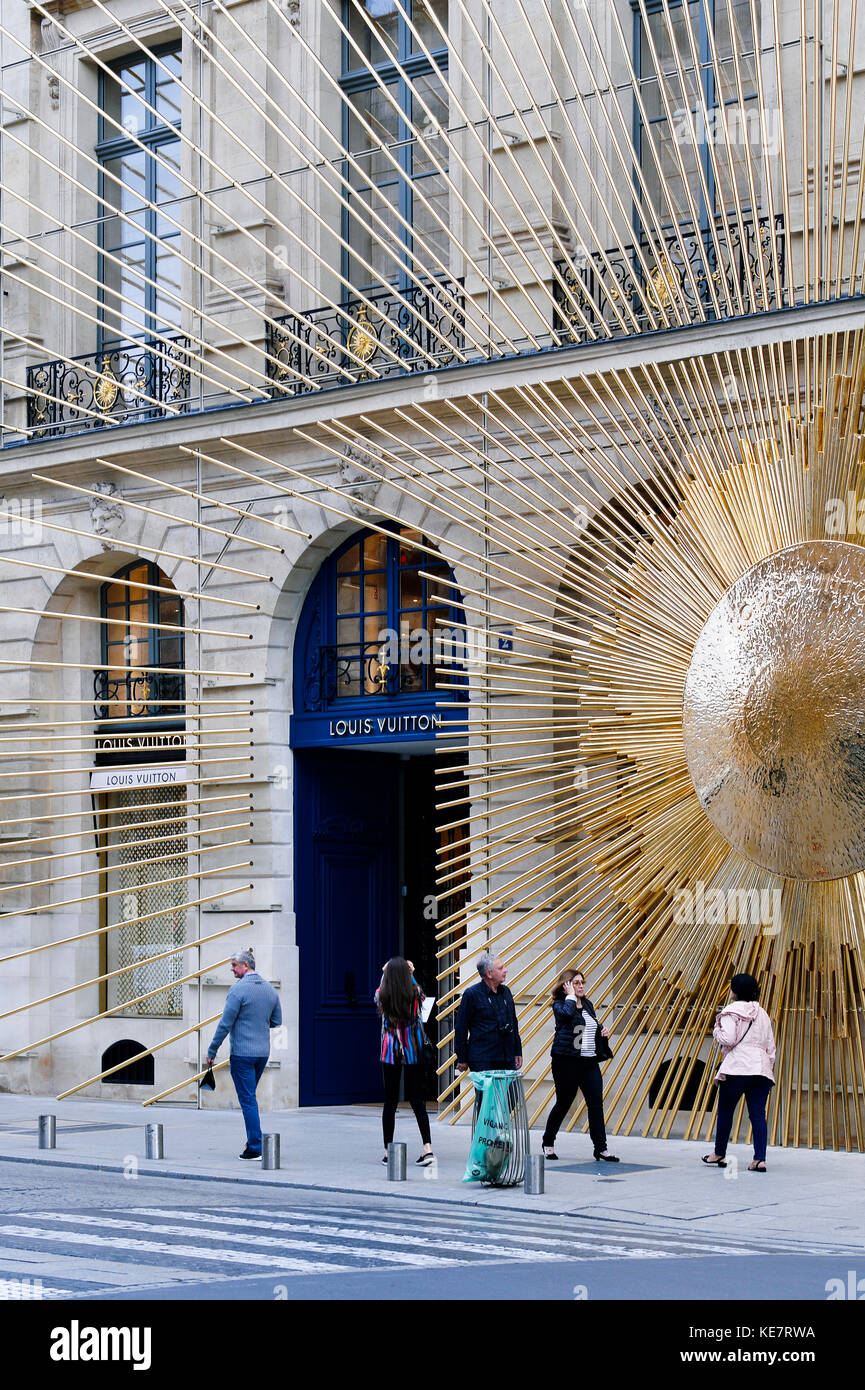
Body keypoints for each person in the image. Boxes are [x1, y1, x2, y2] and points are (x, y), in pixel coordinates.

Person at [205, 947, 282, 1160]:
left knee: (248, 1100)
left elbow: (225, 1024)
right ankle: (252, 1141)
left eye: (234, 965)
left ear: (246, 965)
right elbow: (277, 1021)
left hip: (242, 1054)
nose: (231, 969)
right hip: (262, 1053)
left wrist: (212, 1050)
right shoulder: (269, 990)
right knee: (250, 1097)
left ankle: (255, 1147)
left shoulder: (238, 990)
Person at [540, 968, 619, 1162]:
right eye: (576, 982)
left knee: (595, 1104)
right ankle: (548, 1141)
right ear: (566, 985)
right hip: (566, 1061)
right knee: (564, 1102)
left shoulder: (588, 1004)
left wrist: (601, 1031)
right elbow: (567, 1017)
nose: (581, 986)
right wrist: (570, 997)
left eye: (582, 982)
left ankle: (601, 1148)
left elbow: (588, 1026)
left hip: (588, 1061)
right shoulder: (559, 1004)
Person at [702, 972, 776, 1172]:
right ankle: (759, 1159)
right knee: (758, 1115)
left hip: (737, 1069)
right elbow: (771, 1046)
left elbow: (729, 1038)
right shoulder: (763, 1013)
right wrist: (766, 1065)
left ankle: (719, 1154)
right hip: (761, 1070)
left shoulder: (731, 1011)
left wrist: (716, 1030)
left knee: (726, 1112)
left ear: (735, 991)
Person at [376, 956, 434, 1167]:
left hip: (390, 1052)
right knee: (417, 1100)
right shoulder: (416, 993)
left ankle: (387, 1150)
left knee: (390, 1101)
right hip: (413, 1051)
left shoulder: (382, 994)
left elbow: (380, 991)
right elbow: (420, 993)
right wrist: (411, 973)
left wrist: (385, 971)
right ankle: (427, 1148)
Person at [454, 952, 522, 1073]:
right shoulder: (472, 994)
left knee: (509, 1092)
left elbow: (513, 1022)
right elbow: (461, 1027)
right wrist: (462, 1058)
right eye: (500, 968)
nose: (505, 970)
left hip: (506, 1057)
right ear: (489, 974)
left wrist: (517, 1051)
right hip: (483, 1059)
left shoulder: (506, 991)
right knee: (486, 1093)